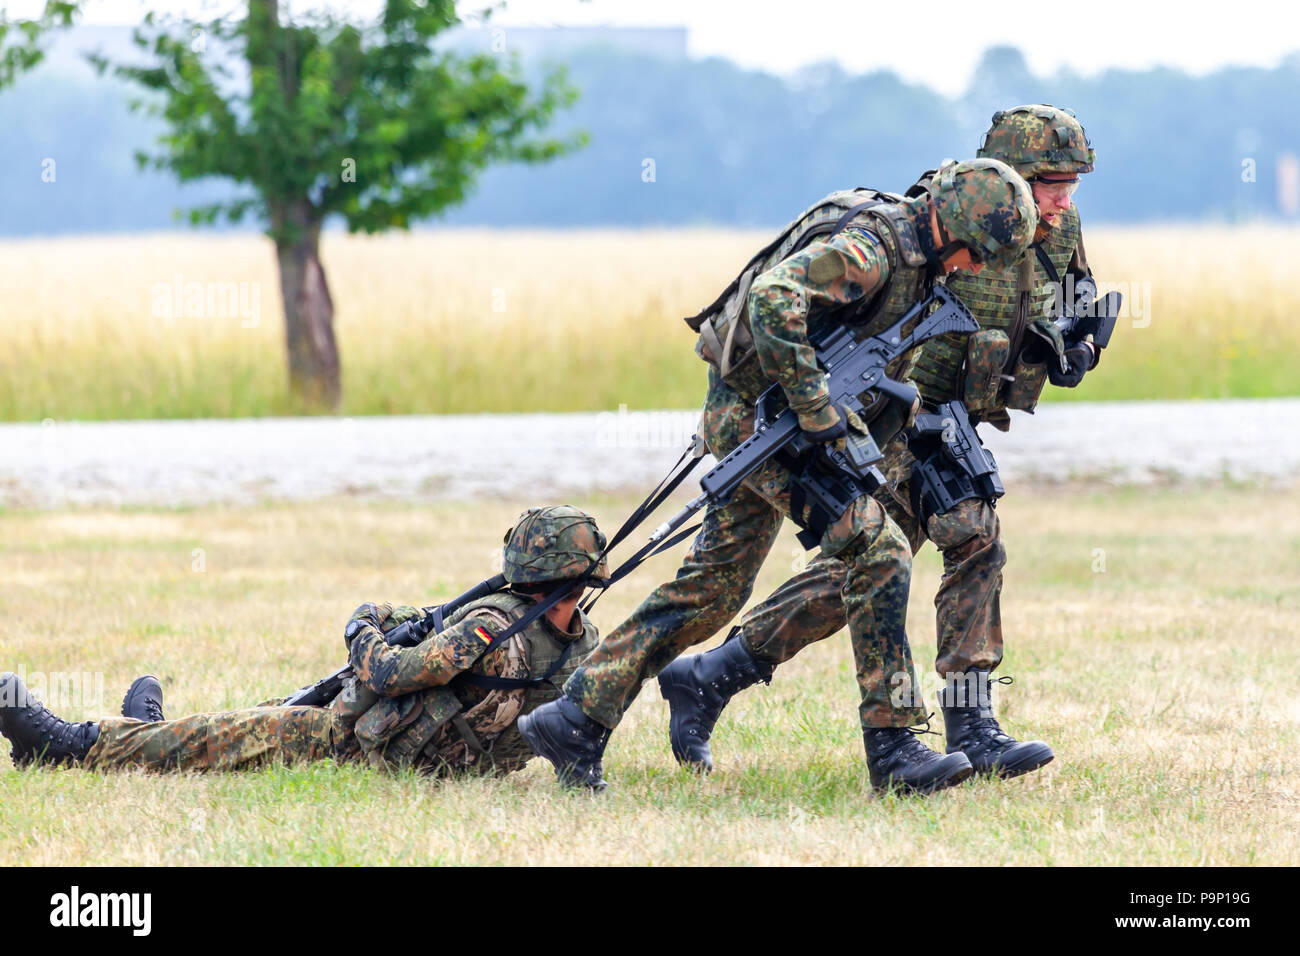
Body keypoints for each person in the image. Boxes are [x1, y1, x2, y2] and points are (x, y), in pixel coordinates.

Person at [520, 159, 1039, 795]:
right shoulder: (873, 249)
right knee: (880, 549)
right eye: (978, 255)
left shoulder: (922, 253)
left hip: (782, 420)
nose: (978, 270)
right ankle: (895, 745)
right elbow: (774, 295)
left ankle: (574, 718)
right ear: (953, 227)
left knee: (711, 591)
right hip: (760, 424)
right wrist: (814, 403)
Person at [658, 105, 1102, 781]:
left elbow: (1076, 292)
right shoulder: (950, 210)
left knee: (941, 546)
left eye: (1073, 185)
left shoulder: (1059, 226)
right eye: (1051, 185)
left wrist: (1079, 342)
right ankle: (726, 678)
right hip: (903, 412)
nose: (1063, 201)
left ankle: (969, 722)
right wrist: (890, 414)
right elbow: (891, 312)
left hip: (959, 412)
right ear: (1008, 179)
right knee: (887, 558)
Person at [0, 506, 606, 778]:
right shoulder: (585, 643)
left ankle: (67, 746)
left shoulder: (489, 628)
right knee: (250, 721)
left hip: (377, 749)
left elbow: (390, 674)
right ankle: (151, 732)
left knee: (233, 735)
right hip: (450, 759)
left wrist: (360, 628)